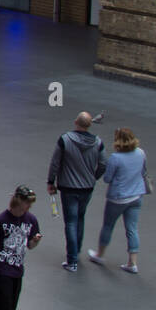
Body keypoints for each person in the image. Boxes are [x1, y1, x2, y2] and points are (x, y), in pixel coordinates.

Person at [47, 111, 107, 272]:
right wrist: (93, 177)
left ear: (76, 122)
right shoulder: (98, 143)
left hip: (68, 187)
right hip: (87, 188)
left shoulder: (65, 140)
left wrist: (51, 181)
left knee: (71, 222)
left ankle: (71, 259)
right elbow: (103, 164)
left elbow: (55, 162)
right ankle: (77, 250)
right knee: (80, 218)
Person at [88, 127, 148, 274]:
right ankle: (132, 263)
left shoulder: (116, 158)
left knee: (108, 226)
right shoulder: (141, 153)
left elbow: (107, 178)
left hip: (118, 199)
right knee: (132, 229)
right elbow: (143, 171)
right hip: (136, 196)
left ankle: (99, 255)